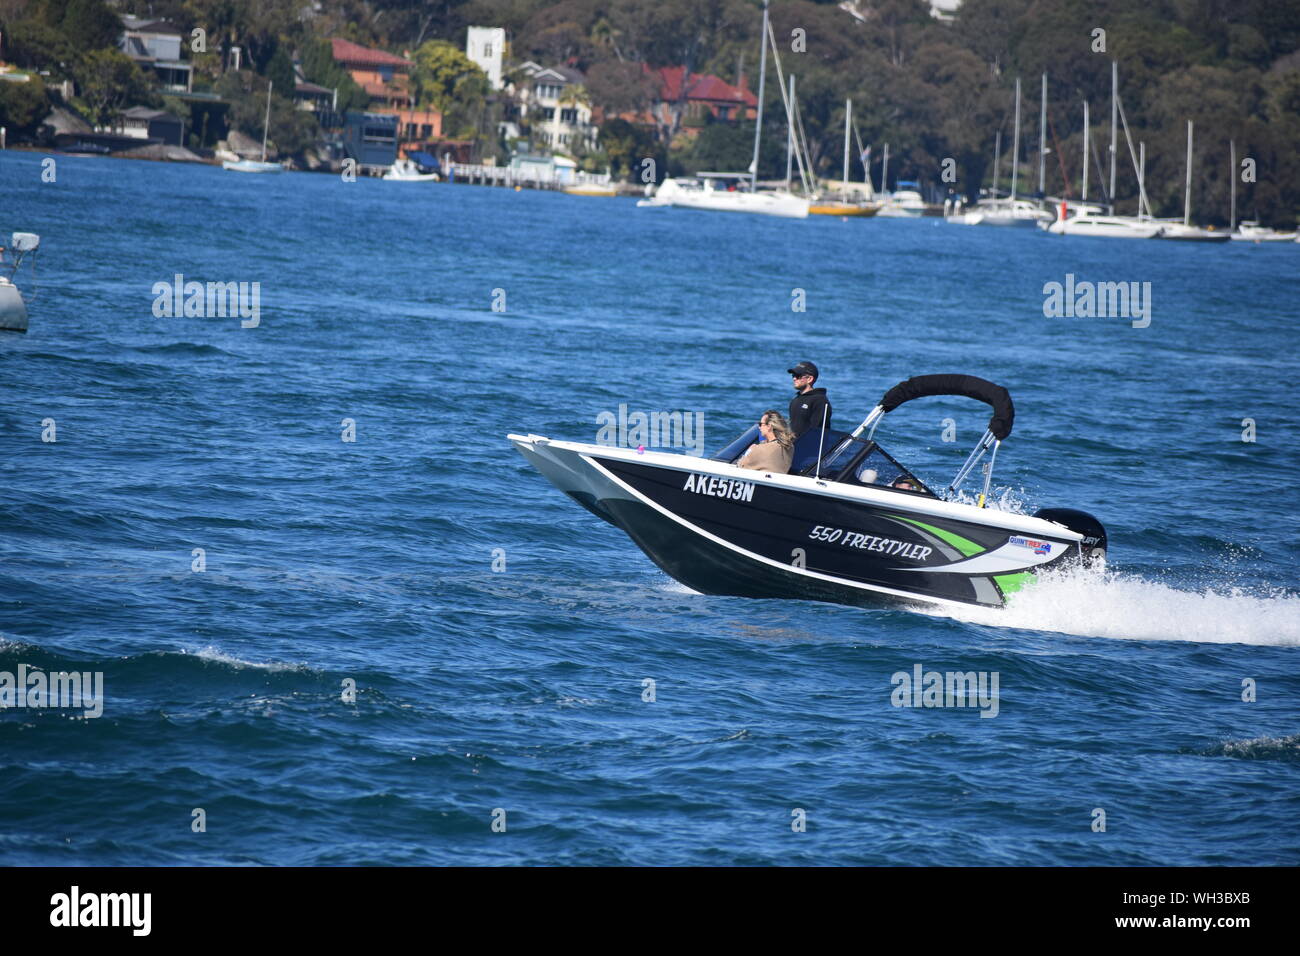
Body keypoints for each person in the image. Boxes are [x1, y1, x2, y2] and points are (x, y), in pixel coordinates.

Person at [787, 361, 832, 438]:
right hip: (794, 446)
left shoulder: (820, 401)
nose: (794, 378)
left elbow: (816, 430)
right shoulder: (796, 400)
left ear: (810, 379)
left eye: (798, 376)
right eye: (793, 375)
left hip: (810, 446)